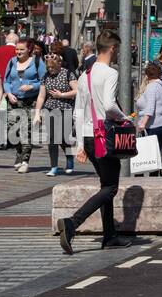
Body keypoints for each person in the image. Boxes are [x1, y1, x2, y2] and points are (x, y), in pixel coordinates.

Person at [56, 30, 132, 253]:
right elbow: (109, 105)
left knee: (105, 185)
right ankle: (72, 223)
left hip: (89, 137)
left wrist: (80, 144)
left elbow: (78, 112)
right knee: (110, 188)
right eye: (117, 50)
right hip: (106, 137)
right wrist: (124, 117)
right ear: (112, 49)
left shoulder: (84, 75)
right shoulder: (110, 73)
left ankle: (109, 236)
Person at [2, 38, 45, 172]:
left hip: (30, 101)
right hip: (14, 101)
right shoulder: (12, 62)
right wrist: (9, 93)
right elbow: (6, 81)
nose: (18, 52)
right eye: (17, 49)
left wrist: (32, 86)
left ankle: (25, 161)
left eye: (21, 49)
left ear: (29, 49)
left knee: (26, 131)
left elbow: (44, 82)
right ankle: (19, 153)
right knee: (12, 130)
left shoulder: (37, 62)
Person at [33, 51, 77, 176]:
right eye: (48, 67)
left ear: (59, 64)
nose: (50, 69)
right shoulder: (45, 76)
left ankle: (69, 158)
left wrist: (61, 95)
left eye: (53, 67)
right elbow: (41, 96)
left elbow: (77, 90)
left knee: (63, 137)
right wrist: (37, 113)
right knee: (52, 139)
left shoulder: (68, 74)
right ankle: (54, 166)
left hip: (65, 108)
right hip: (50, 109)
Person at [134, 62, 162, 177]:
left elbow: (150, 108)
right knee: (156, 153)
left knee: (144, 153)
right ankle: (154, 176)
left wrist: (142, 124)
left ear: (147, 75)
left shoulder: (152, 87)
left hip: (153, 125)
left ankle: (142, 177)